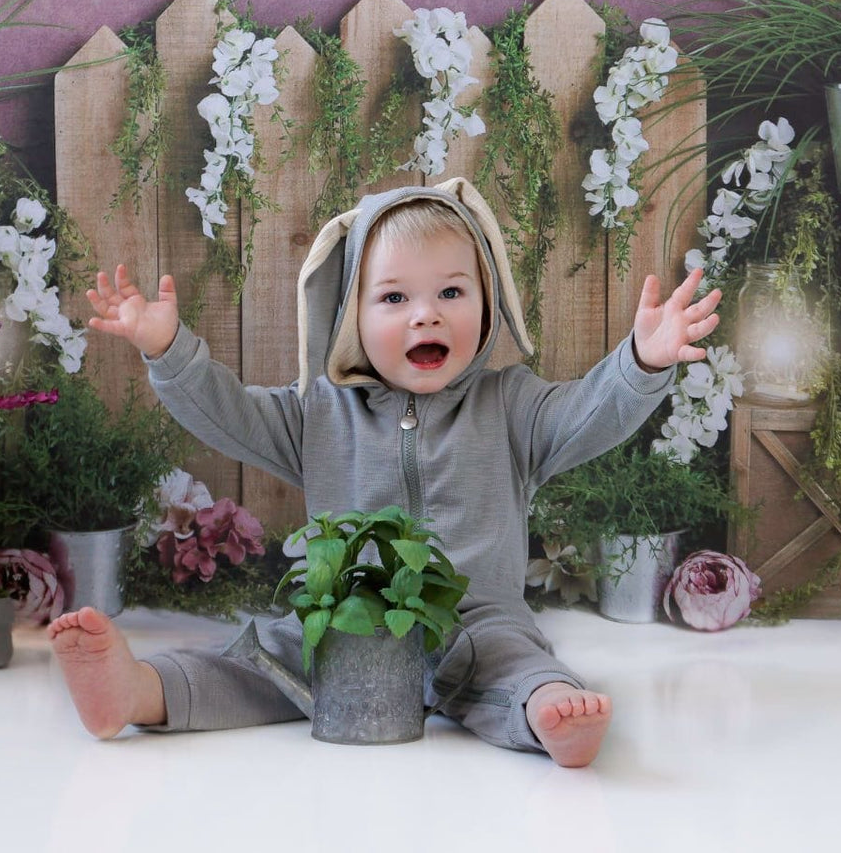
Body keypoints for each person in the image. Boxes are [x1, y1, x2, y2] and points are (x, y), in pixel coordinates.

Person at [49, 177, 721, 768]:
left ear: (487, 306)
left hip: (476, 617)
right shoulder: (321, 413)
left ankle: (551, 717)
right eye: (394, 298)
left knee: (522, 666)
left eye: (451, 291)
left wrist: (643, 362)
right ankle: (139, 691)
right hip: (352, 620)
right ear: (351, 320)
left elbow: (591, 412)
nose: (426, 313)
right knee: (263, 652)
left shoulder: (512, 404)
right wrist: (170, 350)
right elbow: (228, 415)